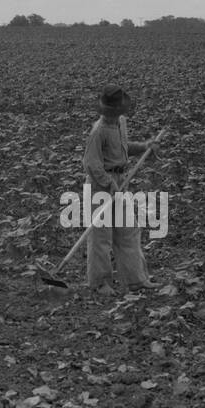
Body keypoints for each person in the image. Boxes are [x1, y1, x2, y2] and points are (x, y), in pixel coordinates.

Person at [83, 84, 161, 295]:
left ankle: (136, 279)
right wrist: (108, 183)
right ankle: (100, 283)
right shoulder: (98, 131)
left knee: (128, 230)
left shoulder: (121, 123)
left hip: (119, 180)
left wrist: (145, 147)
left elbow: (124, 149)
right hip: (100, 185)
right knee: (101, 237)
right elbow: (91, 163)